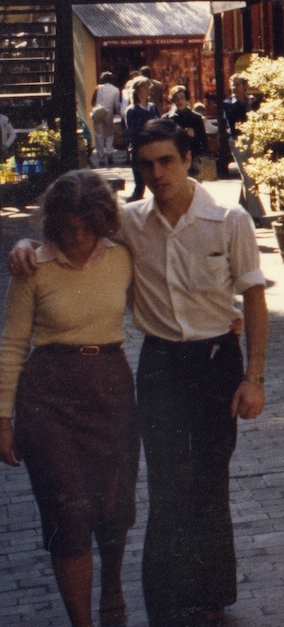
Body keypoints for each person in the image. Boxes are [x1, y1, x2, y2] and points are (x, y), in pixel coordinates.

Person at [10, 119, 268, 627]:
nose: (157, 172)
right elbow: (70, 229)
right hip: (161, 366)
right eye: (146, 164)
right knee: (167, 483)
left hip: (218, 363)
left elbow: (255, 301)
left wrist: (253, 377)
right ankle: (167, 603)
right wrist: (24, 247)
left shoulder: (230, 219)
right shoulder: (127, 223)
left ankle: (211, 598)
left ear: (188, 158)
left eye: (166, 160)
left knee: (210, 482)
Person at [0, 171, 138, 627]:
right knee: (69, 511)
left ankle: (113, 588)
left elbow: (165, 297)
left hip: (111, 390)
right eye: (65, 226)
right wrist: (2, 419)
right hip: (48, 399)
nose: (75, 236)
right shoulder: (33, 267)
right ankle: (81, 621)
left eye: (85, 225)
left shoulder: (122, 259)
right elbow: (13, 344)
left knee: (114, 505)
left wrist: (224, 316)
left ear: (102, 221)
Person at [123, 81, 158, 202]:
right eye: (143, 88)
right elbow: (132, 130)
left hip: (154, 146)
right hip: (139, 147)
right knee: (139, 184)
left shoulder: (153, 107)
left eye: (148, 87)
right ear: (137, 91)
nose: (147, 90)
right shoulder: (132, 110)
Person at [163, 88, 205, 178]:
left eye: (182, 98)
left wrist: (194, 135)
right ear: (173, 100)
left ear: (187, 100)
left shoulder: (196, 118)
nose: (180, 101)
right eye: (177, 98)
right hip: (174, 157)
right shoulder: (167, 118)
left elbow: (204, 141)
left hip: (192, 158)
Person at [90, 72, 122, 168]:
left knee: (99, 135)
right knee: (109, 134)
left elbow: (93, 101)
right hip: (109, 113)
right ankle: (109, 153)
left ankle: (101, 158)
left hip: (99, 111)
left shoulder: (98, 88)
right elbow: (117, 105)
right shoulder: (116, 90)